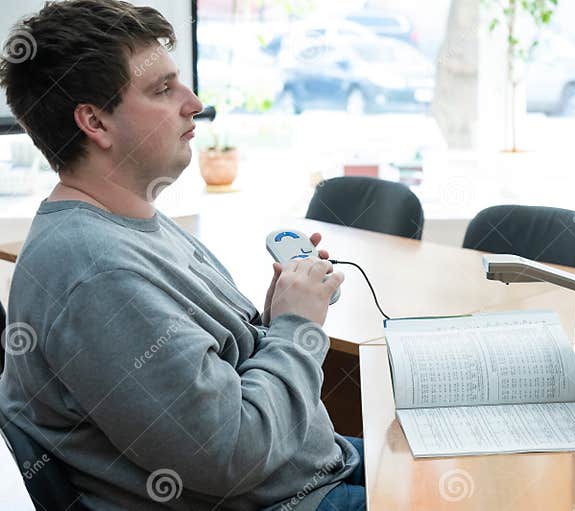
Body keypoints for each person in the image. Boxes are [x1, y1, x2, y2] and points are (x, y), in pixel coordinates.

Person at [0, 1, 365, 509]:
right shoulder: (95, 272)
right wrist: (297, 329)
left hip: (313, 467)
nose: (193, 103)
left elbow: (213, 370)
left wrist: (279, 312)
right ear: (95, 123)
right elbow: (234, 453)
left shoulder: (132, 220)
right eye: (162, 90)